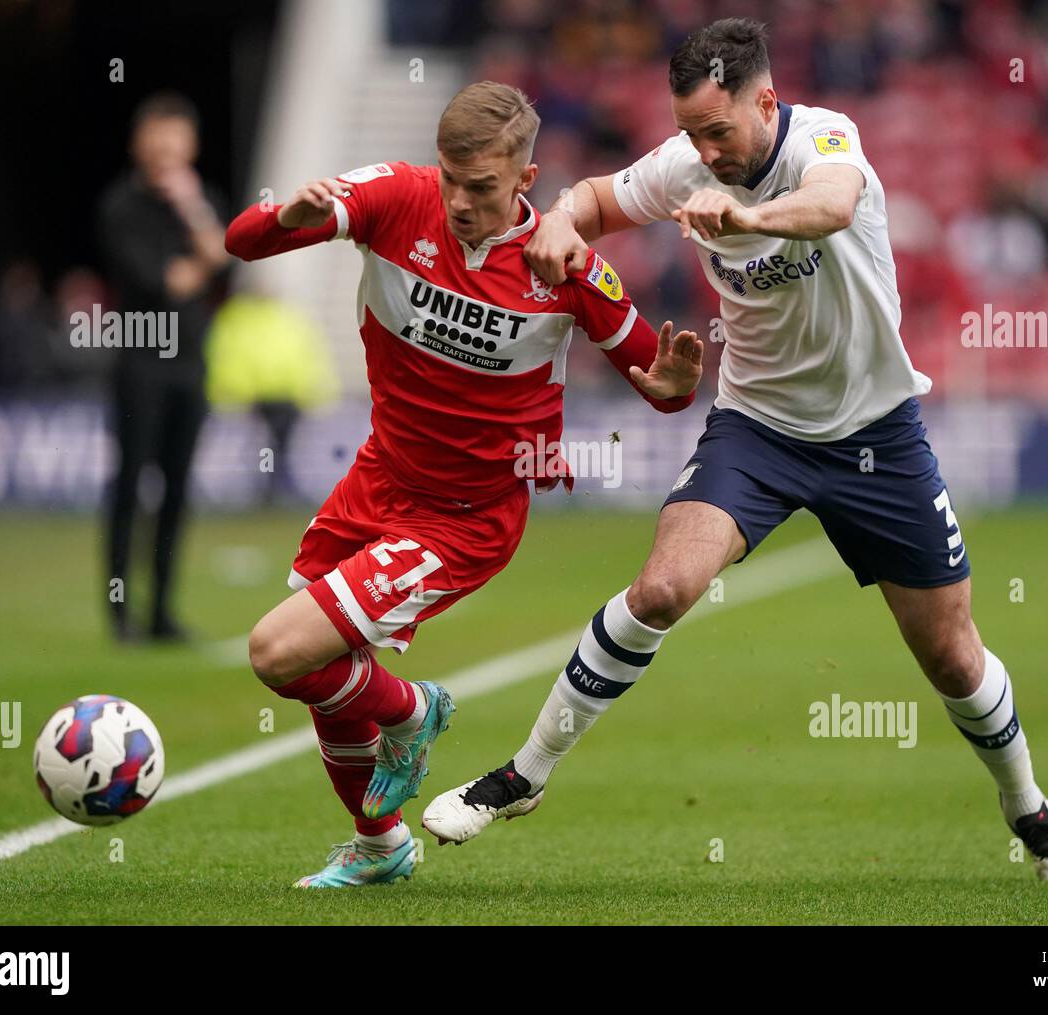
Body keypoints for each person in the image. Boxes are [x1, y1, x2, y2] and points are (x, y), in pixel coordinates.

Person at [424, 19, 1048, 885]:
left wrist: (746, 213)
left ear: (766, 102)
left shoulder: (825, 139)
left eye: (719, 131)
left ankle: (1029, 808)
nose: (704, 150)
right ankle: (523, 775)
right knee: (664, 587)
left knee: (951, 654)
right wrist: (559, 219)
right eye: (691, 132)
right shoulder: (684, 167)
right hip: (759, 428)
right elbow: (595, 197)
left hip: (875, 434)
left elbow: (835, 204)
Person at [225, 81, 703, 888]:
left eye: (480, 187)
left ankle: (414, 712)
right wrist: (287, 220)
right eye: (450, 178)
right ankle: (380, 845)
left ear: (525, 179)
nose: (457, 201)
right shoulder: (396, 199)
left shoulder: (564, 264)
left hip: (465, 518)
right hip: (377, 476)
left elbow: (663, 384)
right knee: (323, 683)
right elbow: (242, 244)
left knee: (279, 650)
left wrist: (674, 378)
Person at [97, 93, 230, 642]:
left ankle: (162, 613)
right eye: (157, 138)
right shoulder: (120, 207)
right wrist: (205, 258)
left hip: (190, 365)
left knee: (177, 488)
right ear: (139, 143)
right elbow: (165, 282)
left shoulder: (205, 202)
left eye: (176, 139)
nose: (166, 150)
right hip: (140, 362)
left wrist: (196, 214)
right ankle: (121, 612)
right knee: (131, 484)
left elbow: (225, 266)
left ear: (191, 146)